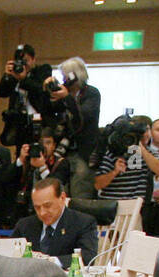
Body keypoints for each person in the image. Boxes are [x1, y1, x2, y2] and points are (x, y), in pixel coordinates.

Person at [47, 57, 101, 199]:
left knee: (80, 192)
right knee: (62, 192)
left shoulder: (92, 93)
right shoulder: (64, 93)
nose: (64, 78)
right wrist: (49, 90)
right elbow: (50, 112)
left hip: (84, 152)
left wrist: (67, 98)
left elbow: (83, 115)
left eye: (67, 75)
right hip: (64, 150)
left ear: (75, 75)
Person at [11, 177, 98, 266]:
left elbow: (87, 257)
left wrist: (50, 261)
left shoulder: (83, 223)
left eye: (47, 205)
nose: (42, 213)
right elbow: (9, 251)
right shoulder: (24, 225)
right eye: (37, 207)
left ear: (62, 198)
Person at [95, 116, 159, 202]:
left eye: (147, 130)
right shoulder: (112, 151)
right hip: (110, 205)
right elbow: (97, 185)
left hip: (135, 207)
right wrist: (114, 172)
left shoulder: (151, 153)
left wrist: (139, 146)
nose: (144, 134)